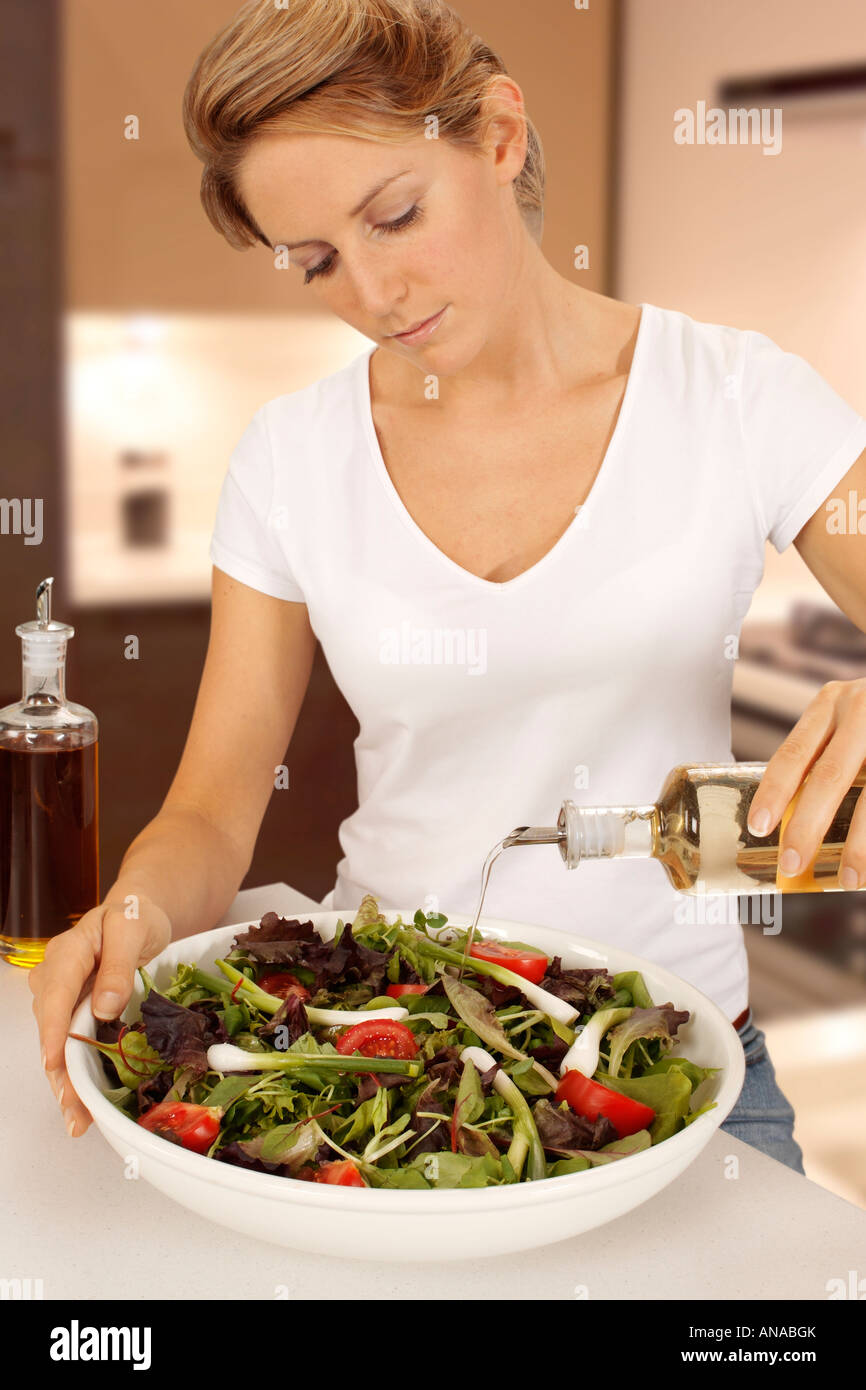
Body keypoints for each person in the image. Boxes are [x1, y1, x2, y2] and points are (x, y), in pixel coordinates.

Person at [31, 0, 866, 1175]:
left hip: (668, 1075)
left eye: (396, 215)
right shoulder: (290, 455)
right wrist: (136, 913)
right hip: (394, 1067)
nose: (372, 292)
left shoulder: (734, 398)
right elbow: (214, 813)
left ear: (497, 135)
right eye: (317, 261)